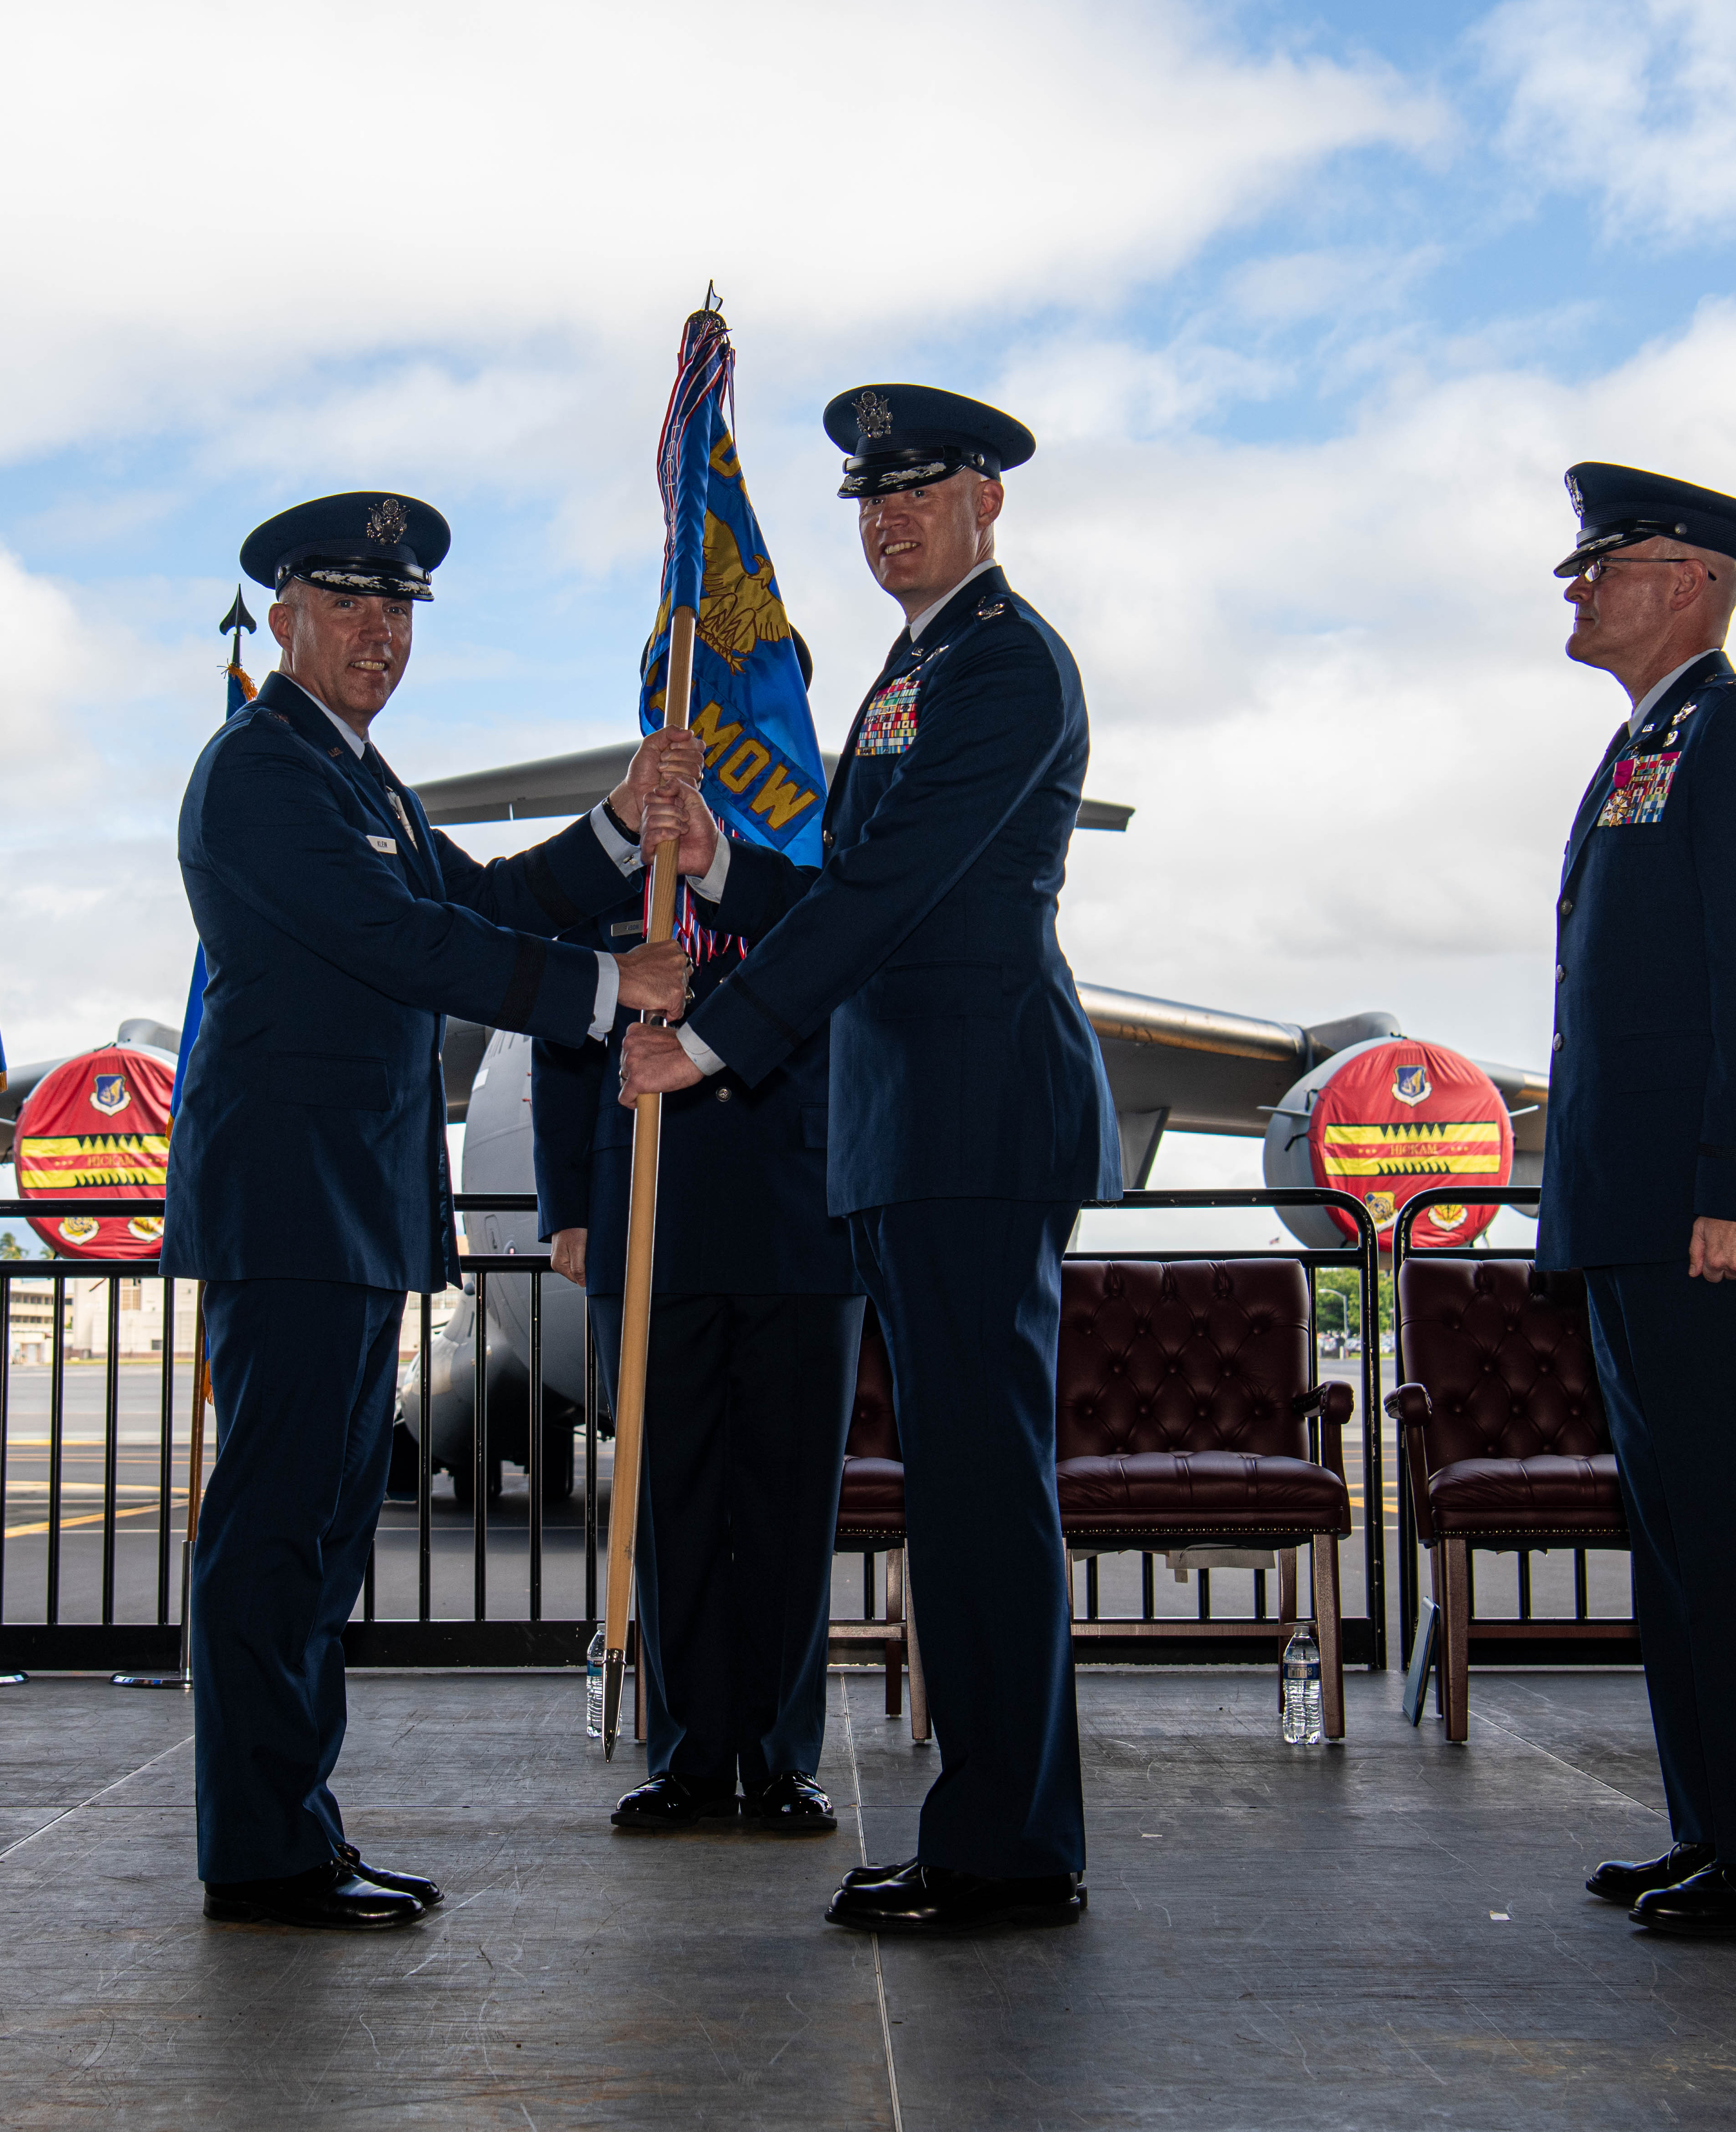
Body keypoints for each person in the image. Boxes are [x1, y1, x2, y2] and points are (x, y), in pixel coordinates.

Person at [165, 490, 703, 1931]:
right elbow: (408, 942)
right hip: (290, 1205)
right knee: (277, 1529)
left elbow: (493, 894)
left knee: (328, 1529)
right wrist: (610, 990)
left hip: (346, 1206)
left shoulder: (365, 782)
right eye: (347, 603)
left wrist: (620, 822)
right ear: (282, 617)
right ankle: (261, 1847)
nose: (377, 632)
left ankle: (295, 1826)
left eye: (396, 610)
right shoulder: (264, 773)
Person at [621, 387, 1121, 1934]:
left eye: (917, 490)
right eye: (867, 499)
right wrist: (725, 866)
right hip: (907, 1126)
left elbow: (896, 891)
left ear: (987, 498)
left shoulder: (1010, 664)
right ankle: (991, 1826)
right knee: (957, 1496)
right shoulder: (911, 670)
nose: (885, 520)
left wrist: (711, 1041)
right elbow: (840, 882)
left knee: (983, 1493)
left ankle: (1009, 1847)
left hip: (980, 1122)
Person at [1535, 461, 1736, 1938]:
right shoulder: (1638, 751)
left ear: (1692, 581)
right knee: (1676, 1535)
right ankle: (1717, 1823)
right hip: (1633, 1214)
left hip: (1707, 1220)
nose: (1578, 585)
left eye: (1604, 563)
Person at [533, 636, 862, 1840]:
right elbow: (559, 1044)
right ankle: (683, 1756)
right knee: (670, 1504)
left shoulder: (815, 862)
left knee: (783, 1506)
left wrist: (718, 858)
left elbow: (829, 983)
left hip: (795, 1222)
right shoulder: (614, 883)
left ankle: (777, 1758)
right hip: (654, 1221)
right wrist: (568, 1207)